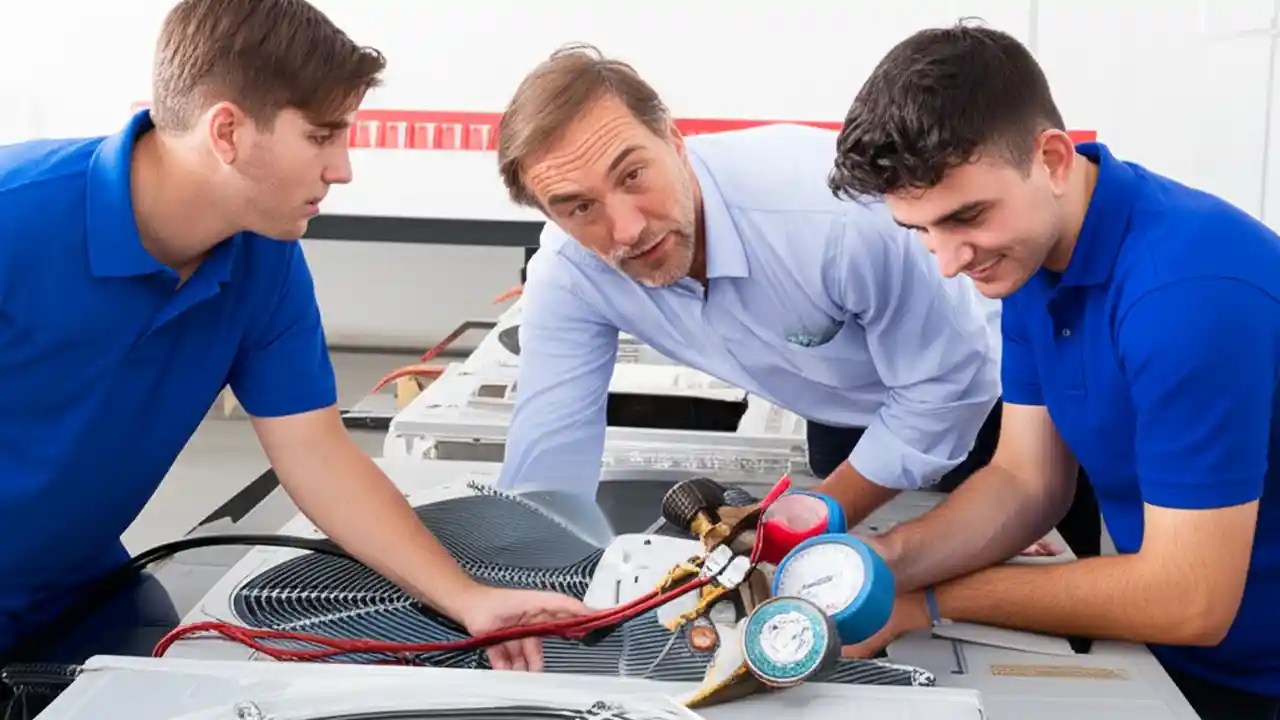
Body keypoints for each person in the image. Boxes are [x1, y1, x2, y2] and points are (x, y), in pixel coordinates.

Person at [0, 0, 586, 673]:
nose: (342, 168)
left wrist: (468, 599)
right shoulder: (13, 215)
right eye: (321, 136)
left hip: (75, 598)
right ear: (228, 132)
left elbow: (316, 454)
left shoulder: (265, 261)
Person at [826, 22, 1280, 720]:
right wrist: (878, 567)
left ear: (1053, 158)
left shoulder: (1185, 295)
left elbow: (1190, 598)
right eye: (922, 231)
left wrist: (928, 604)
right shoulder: (1032, 256)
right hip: (1175, 653)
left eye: (966, 216)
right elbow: (1026, 481)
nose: (948, 261)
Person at [490, 43, 1069, 541]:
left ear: (674, 138)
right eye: (580, 208)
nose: (627, 229)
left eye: (633, 175)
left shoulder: (834, 219)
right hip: (848, 416)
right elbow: (550, 457)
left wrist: (817, 517)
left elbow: (951, 385)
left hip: (1003, 402)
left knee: (1020, 601)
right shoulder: (570, 271)